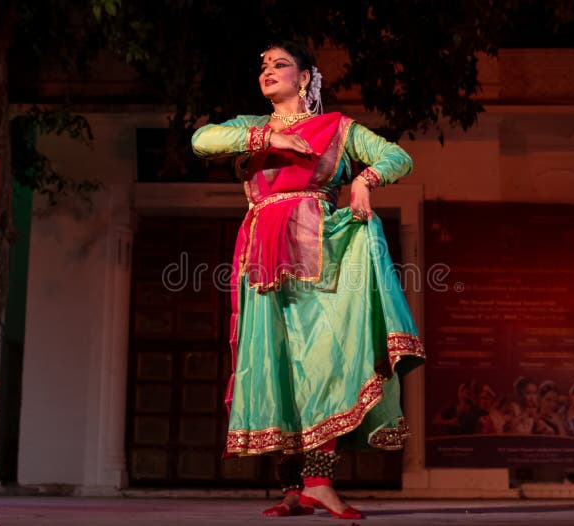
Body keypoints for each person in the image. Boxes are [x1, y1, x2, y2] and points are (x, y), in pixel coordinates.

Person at [191, 41, 425, 519]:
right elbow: (201, 141)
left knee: (321, 361)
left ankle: (320, 481)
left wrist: (365, 180)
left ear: (304, 79)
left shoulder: (335, 128)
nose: (268, 71)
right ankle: (296, 487)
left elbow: (397, 157)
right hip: (260, 248)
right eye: (263, 66)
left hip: (317, 246)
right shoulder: (249, 128)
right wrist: (268, 141)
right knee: (275, 362)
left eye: (280, 64)